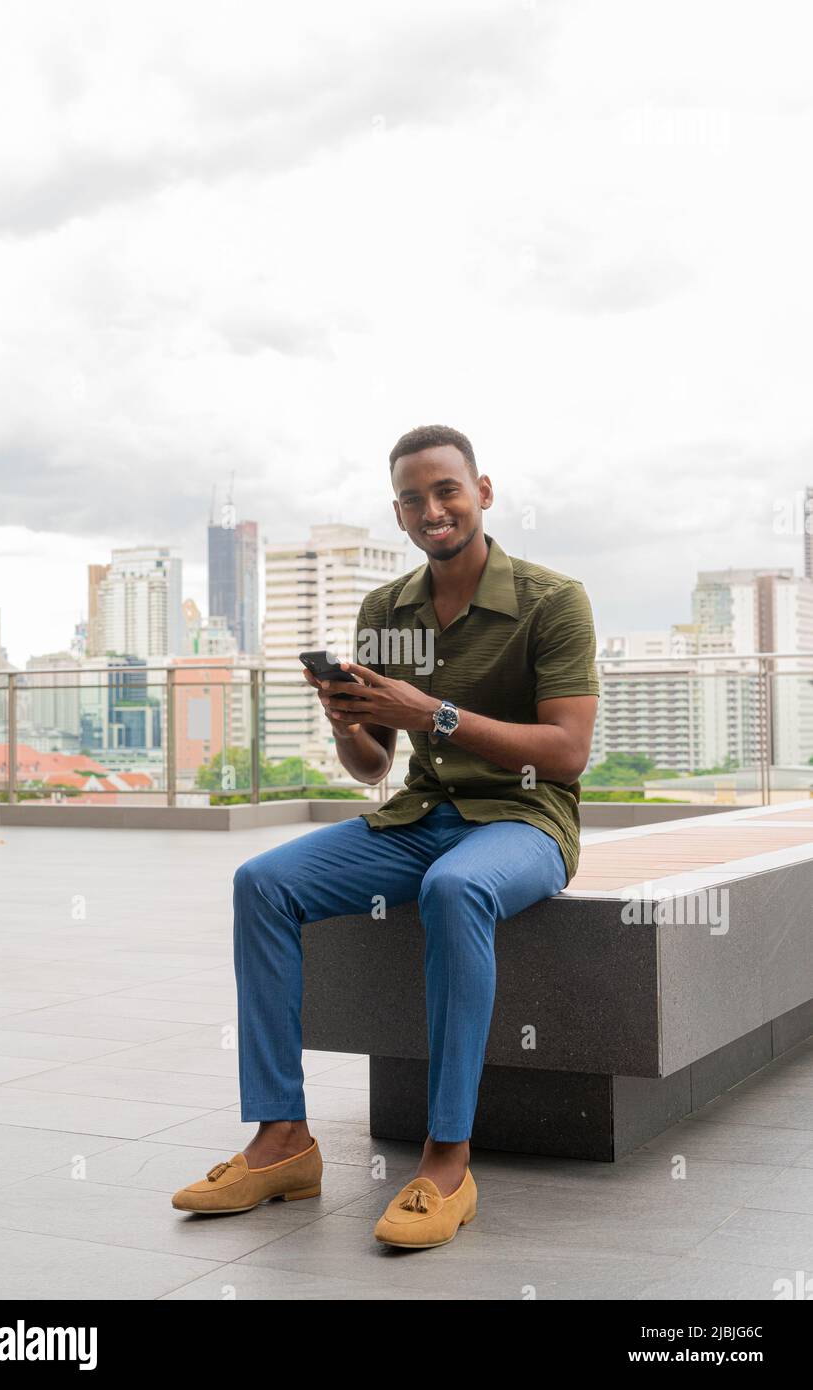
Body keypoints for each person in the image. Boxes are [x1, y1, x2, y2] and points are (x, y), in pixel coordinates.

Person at [172, 423, 600, 1249]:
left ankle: (447, 1159)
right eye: (411, 499)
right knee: (262, 881)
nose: (431, 509)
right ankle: (282, 1139)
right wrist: (347, 721)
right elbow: (372, 766)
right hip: (419, 817)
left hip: (525, 821)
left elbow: (565, 752)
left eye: (446, 490)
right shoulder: (385, 610)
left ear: (482, 492)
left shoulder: (553, 600)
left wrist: (433, 712)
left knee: (456, 888)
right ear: (398, 513)